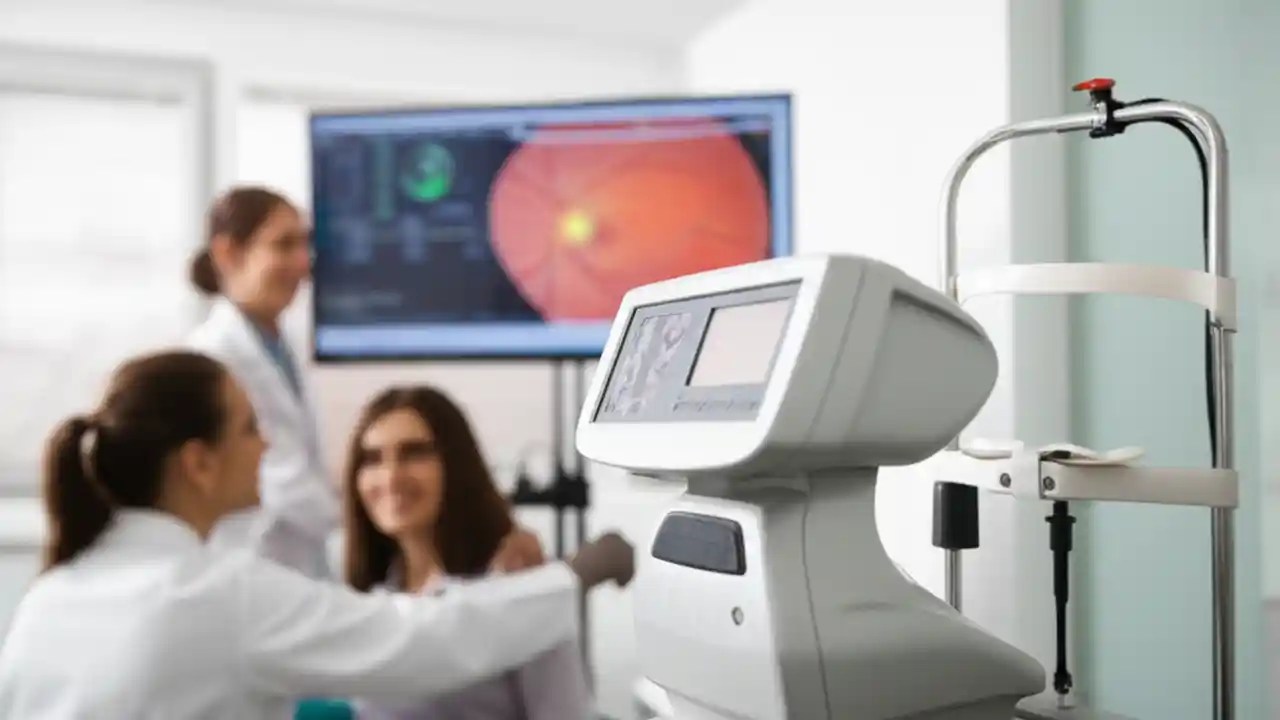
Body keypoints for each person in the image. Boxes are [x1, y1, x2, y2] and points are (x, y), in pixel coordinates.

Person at [0, 350, 634, 719]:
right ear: (199, 462)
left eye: (415, 453)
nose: (267, 444)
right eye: (250, 427)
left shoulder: (51, 596)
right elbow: (427, 638)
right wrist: (579, 572)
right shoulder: (220, 596)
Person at [344, 386, 592, 720]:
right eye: (373, 459)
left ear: (455, 464)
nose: (390, 477)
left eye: (414, 453)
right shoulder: (368, 595)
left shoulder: (523, 589)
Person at [186, 186, 335, 575]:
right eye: (283, 246)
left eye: (304, 244)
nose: (303, 264)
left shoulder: (282, 346)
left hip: (299, 563)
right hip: (256, 559)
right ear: (228, 254)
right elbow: (284, 477)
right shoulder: (216, 356)